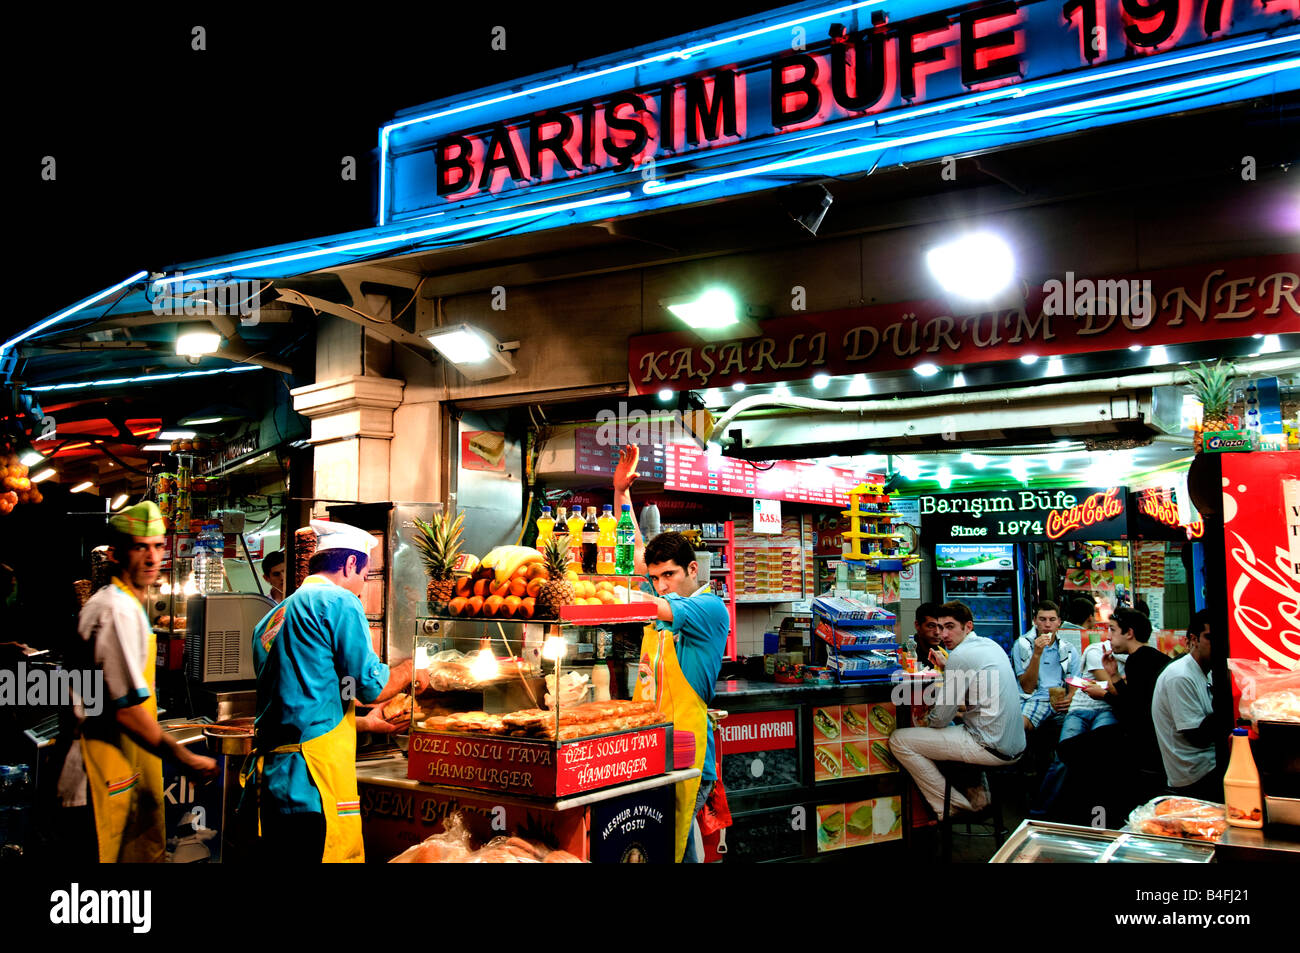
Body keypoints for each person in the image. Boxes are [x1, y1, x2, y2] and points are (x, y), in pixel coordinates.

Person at [245, 519, 423, 862]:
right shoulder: (338, 602)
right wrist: (411, 669)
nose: (362, 587)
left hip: (274, 783)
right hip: (314, 783)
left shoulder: (272, 618)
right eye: (364, 576)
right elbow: (371, 686)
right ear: (351, 563)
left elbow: (305, 699)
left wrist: (368, 723)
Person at [56, 501, 218, 862]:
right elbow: (126, 710)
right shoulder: (116, 610)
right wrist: (185, 758)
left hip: (116, 771)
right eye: (139, 546)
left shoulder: (120, 603)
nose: (151, 557)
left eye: (158, 546)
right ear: (116, 553)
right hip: (94, 781)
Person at [615, 445, 729, 863]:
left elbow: (655, 605)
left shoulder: (708, 608)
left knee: (674, 843)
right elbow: (634, 548)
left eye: (669, 575)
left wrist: (612, 595)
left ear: (692, 570)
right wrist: (622, 494)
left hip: (688, 751)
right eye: (655, 577)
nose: (660, 584)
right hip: (649, 741)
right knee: (668, 844)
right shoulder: (661, 593)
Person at [889, 601, 1026, 816]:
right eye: (940, 627)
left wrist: (927, 719)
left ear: (968, 626)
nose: (943, 634)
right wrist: (948, 667)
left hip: (989, 745)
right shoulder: (989, 645)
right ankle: (978, 796)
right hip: (1015, 745)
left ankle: (951, 806)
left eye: (950, 626)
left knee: (899, 740)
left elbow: (940, 719)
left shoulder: (960, 656)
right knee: (953, 726)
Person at [1087, 606, 1171, 804]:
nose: (1109, 637)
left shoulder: (1138, 660)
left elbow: (1132, 713)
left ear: (1129, 633)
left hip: (1150, 747)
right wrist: (1114, 675)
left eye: (1113, 630)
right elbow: (1133, 700)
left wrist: (1104, 695)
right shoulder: (1148, 656)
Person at [1151, 610, 1223, 802]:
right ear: (1194, 639)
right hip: (1194, 774)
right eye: (1210, 637)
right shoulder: (1180, 675)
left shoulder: (1205, 671)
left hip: (1207, 764)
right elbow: (1196, 736)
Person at [1013, 601, 1079, 735]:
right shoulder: (1022, 645)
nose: (1047, 625)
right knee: (1018, 724)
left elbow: (1075, 682)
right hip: (1034, 698)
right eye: (1042, 619)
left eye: (1052, 620)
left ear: (1059, 622)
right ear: (1035, 621)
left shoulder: (1069, 649)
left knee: (1077, 726)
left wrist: (1070, 697)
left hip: (1060, 701)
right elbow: (1027, 687)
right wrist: (1037, 654)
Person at [912, 602, 944, 669]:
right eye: (931, 626)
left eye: (941, 627)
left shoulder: (944, 652)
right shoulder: (908, 654)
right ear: (917, 625)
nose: (937, 632)